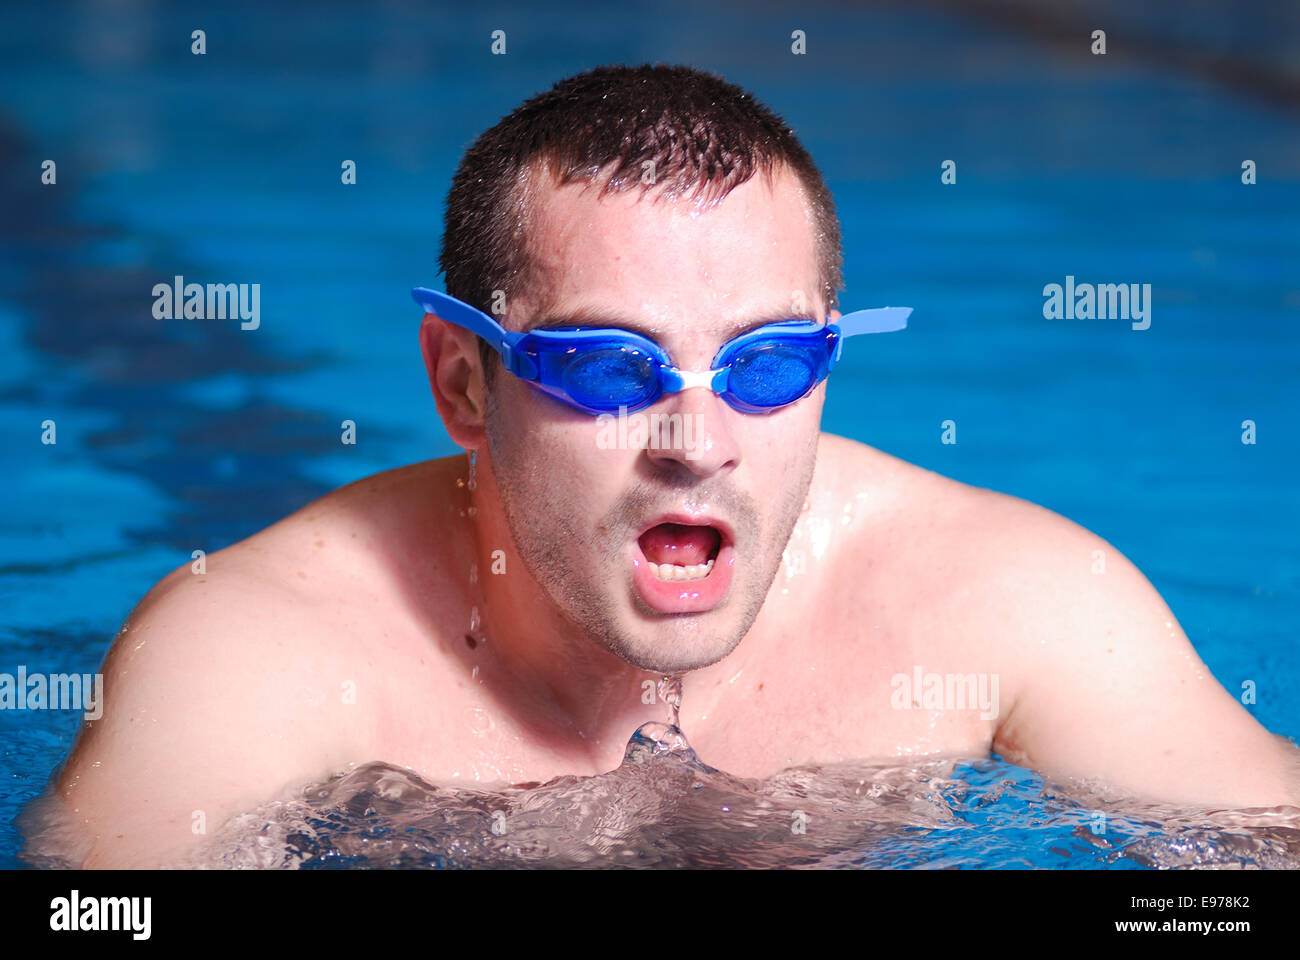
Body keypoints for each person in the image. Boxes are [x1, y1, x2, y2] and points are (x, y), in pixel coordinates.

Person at [47, 64, 1298, 868]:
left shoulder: (1011, 606)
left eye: (763, 366)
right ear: (461, 382)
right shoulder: (262, 651)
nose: (696, 446)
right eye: (605, 367)